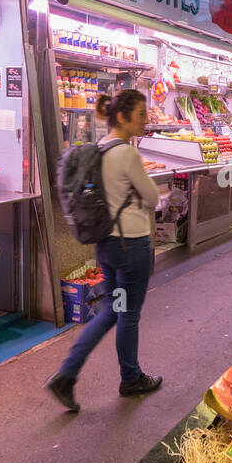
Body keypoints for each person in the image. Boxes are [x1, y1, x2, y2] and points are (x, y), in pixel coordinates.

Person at [46, 90, 162, 411]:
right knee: (128, 314)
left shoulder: (98, 149)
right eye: (140, 114)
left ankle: (67, 374)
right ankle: (130, 378)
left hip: (107, 247)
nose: (145, 119)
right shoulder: (127, 154)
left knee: (113, 309)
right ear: (122, 117)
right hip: (132, 248)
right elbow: (152, 197)